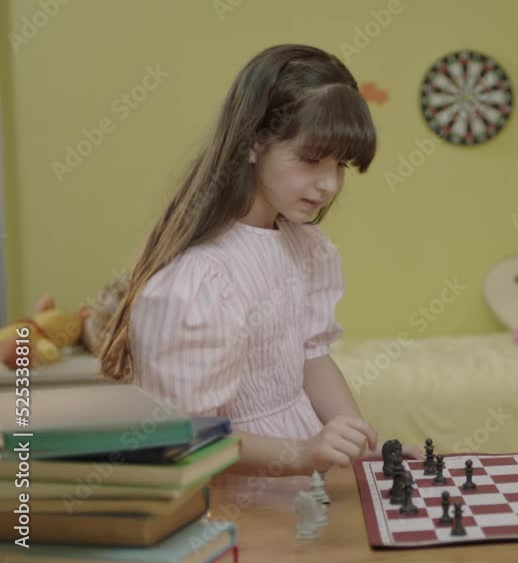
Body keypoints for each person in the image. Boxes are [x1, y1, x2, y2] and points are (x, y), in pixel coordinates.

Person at [99, 44, 418, 476]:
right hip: (239, 496)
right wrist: (301, 452)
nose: (329, 184)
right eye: (310, 159)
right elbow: (188, 435)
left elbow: (312, 356)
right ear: (253, 142)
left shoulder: (303, 246)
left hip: (301, 485)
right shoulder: (199, 278)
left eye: (340, 164)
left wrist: (359, 446)